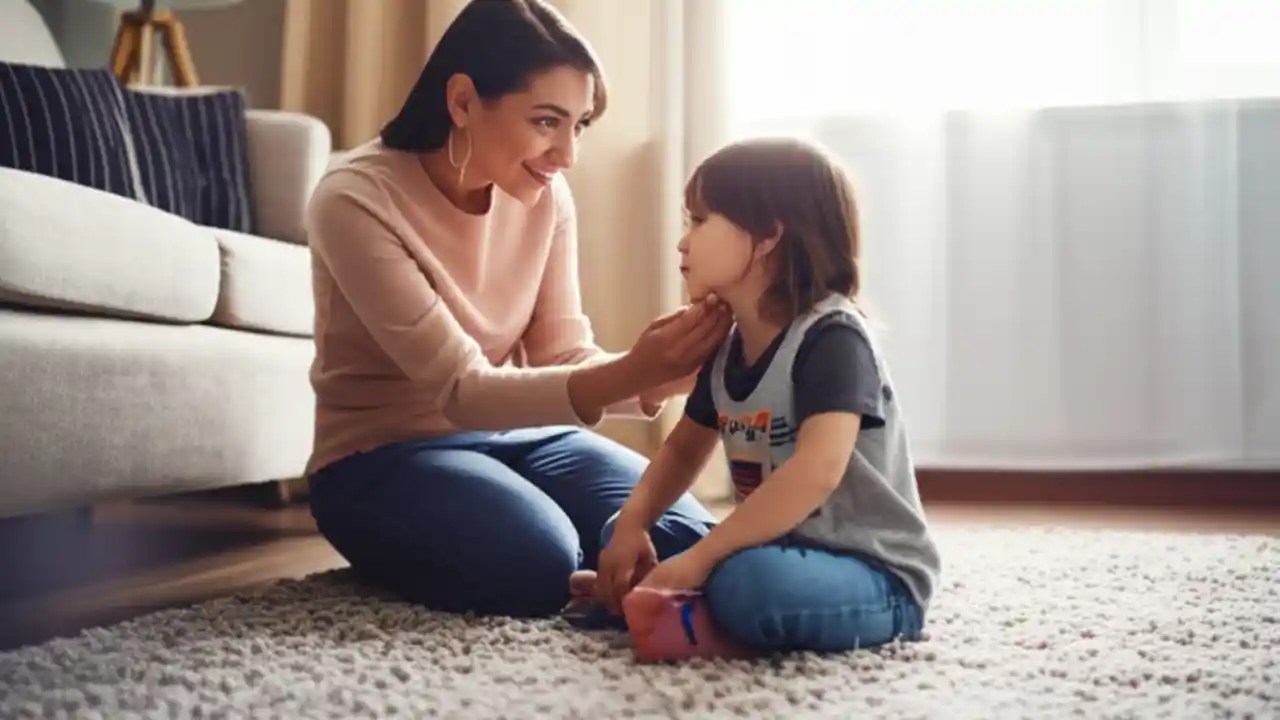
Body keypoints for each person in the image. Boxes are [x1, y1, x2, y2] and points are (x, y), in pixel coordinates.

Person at [302, 0, 731, 619]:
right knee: (538, 566)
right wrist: (633, 371)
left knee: (688, 544)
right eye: (545, 121)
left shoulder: (545, 195)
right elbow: (461, 389)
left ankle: (566, 559)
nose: (566, 154)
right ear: (462, 102)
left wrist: (666, 374)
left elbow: (564, 359)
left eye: (578, 125)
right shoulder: (354, 200)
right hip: (380, 458)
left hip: (524, 435)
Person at [575, 137, 942, 658]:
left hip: (873, 574)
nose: (682, 242)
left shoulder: (832, 337)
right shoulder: (729, 348)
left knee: (745, 585)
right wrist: (632, 524)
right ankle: (661, 596)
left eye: (699, 220)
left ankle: (691, 612)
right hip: (779, 548)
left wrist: (699, 563)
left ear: (768, 234)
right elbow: (682, 449)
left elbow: (817, 470)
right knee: (627, 532)